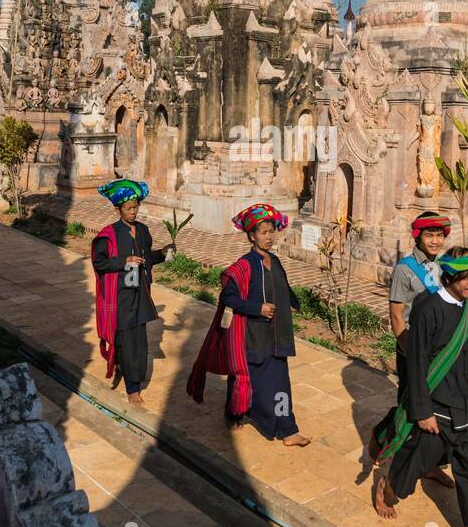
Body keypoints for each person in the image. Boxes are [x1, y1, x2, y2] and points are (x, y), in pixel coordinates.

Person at [373, 246, 468, 527]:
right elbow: (416, 362)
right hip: (436, 409)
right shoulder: (428, 308)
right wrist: (422, 411)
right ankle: (386, 488)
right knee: (413, 466)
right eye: (467, 276)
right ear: (450, 276)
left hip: (467, 408)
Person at [187, 203, 310, 447]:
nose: (269, 237)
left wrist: (294, 303)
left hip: (277, 336)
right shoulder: (244, 266)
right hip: (252, 336)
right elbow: (228, 298)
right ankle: (234, 413)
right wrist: (258, 308)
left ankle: (287, 428)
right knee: (246, 379)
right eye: (263, 232)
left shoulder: (274, 261)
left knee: (281, 384)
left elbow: (283, 287)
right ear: (251, 236)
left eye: (271, 231)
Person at [368, 212, 454, 483]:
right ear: (418, 237)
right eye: (430, 235)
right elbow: (396, 316)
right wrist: (409, 353)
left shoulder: (443, 266)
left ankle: (428, 463)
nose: (435, 240)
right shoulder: (405, 269)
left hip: (437, 352)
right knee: (411, 408)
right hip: (413, 349)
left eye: (439, 235)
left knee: (434, 408)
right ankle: (384, 439)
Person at [91, 179, 172, 406]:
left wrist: (164, 254)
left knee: (140, 341)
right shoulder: (110, 235)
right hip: (122, 296)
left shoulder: (144, 231)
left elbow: (147, 259)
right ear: (117, 209)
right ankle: (132, 388)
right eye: (128, 208)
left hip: (141, 294)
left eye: (136, 207)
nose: (133, 211)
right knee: (126, 341)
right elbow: (100, 263)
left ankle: (131, 372)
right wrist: (123, 261)